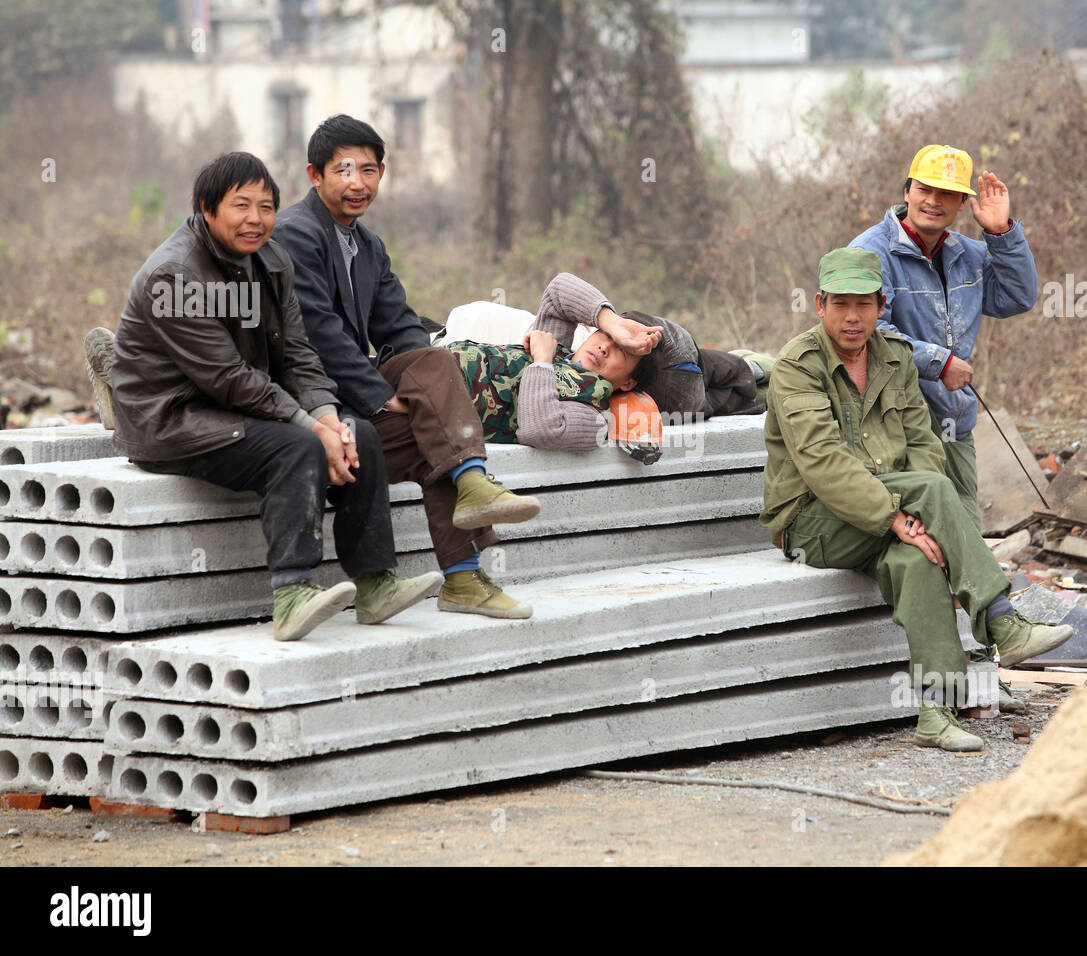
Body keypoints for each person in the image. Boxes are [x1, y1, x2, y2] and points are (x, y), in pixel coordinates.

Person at [102, 152, 440, 642]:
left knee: (359, 433)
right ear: (206, 208)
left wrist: (326, 417)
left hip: (239, 407)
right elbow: (228, 378)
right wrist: (309, 429)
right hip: (174, 419)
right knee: (298, 446)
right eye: (241, 206)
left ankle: (374, 583)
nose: (255, 219)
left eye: (266, 206)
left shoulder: (272, 261)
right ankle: (291, 594)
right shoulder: (173, 276)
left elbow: (299, 354)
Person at [760, 248, 1071, 752]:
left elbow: (923, 443)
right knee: (930, 493)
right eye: (840, 304)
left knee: (916, 561)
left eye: (864, 304)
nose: (853, 317)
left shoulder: (895, 357)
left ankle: (936, 710)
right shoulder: (798, 367)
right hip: (813, 522)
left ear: (883, 305)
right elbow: (822, 462)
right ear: (820, 304)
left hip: (891, 515)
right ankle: (1001, 619)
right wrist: (898, 516)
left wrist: (918, 526)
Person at [274, 115, 542, 620]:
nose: (359, 183)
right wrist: (380, 394)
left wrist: (417, 385)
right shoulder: (295, 235)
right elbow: (318, 333)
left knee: (434, 422)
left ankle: (463, 577)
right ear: (315, 175)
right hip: (311, 405)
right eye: (344, 170)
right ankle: (472, 487)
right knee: (434, 429)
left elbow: (400, 328)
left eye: (370, 170)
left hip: (356, 397)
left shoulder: (369, 248)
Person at [848, 144, 1039, 713]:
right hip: (898, 426)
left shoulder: (967, 255)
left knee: (966, 541)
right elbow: (864, 334)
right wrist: (937, 360)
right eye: (925, 189)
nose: (934, 202)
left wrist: (1004, 234)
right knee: (934, 548)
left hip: (954, 423)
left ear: (960, 204)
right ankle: (949, 679)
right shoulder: (870, 253)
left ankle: (980, 671)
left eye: (948, 195)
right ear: (906, 188)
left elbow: (1017, 296)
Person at [438, 271, 773, 452]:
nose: (604, 347)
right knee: (715, 379)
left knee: (700, 389)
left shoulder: (595, 411)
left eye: (621, 351)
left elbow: (541, 428)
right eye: (604, 337)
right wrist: (614, 326)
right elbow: (559, 289)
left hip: (673, 375)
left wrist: (541, 361)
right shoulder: (564, 351)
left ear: (627, 383)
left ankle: (759, 373)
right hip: (667, 359)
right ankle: (753, 370)